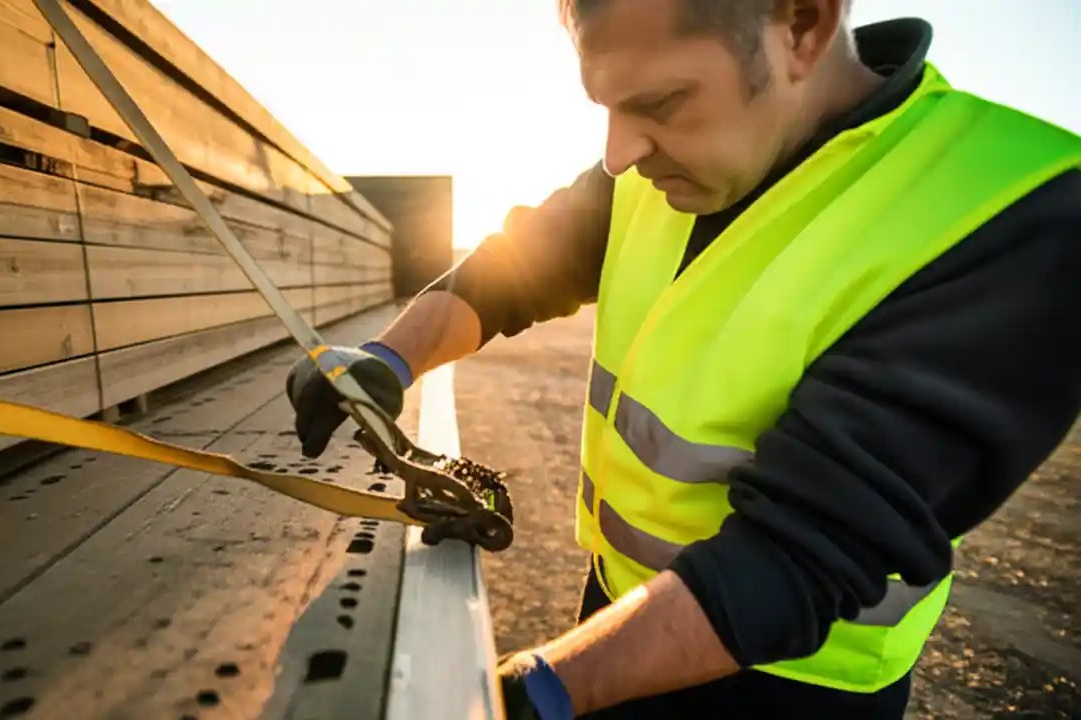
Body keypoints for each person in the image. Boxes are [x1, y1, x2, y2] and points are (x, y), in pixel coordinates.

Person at [285, 0, 1081, 717]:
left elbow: (803, 556)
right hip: (623, 613)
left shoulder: (1015, 210)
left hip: (784, 684)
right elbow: (512, 269)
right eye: (605, 107)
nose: (619, 153)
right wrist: (388, 359)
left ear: (802, 23)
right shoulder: (657, 168)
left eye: (659, 102)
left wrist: (528, 691)